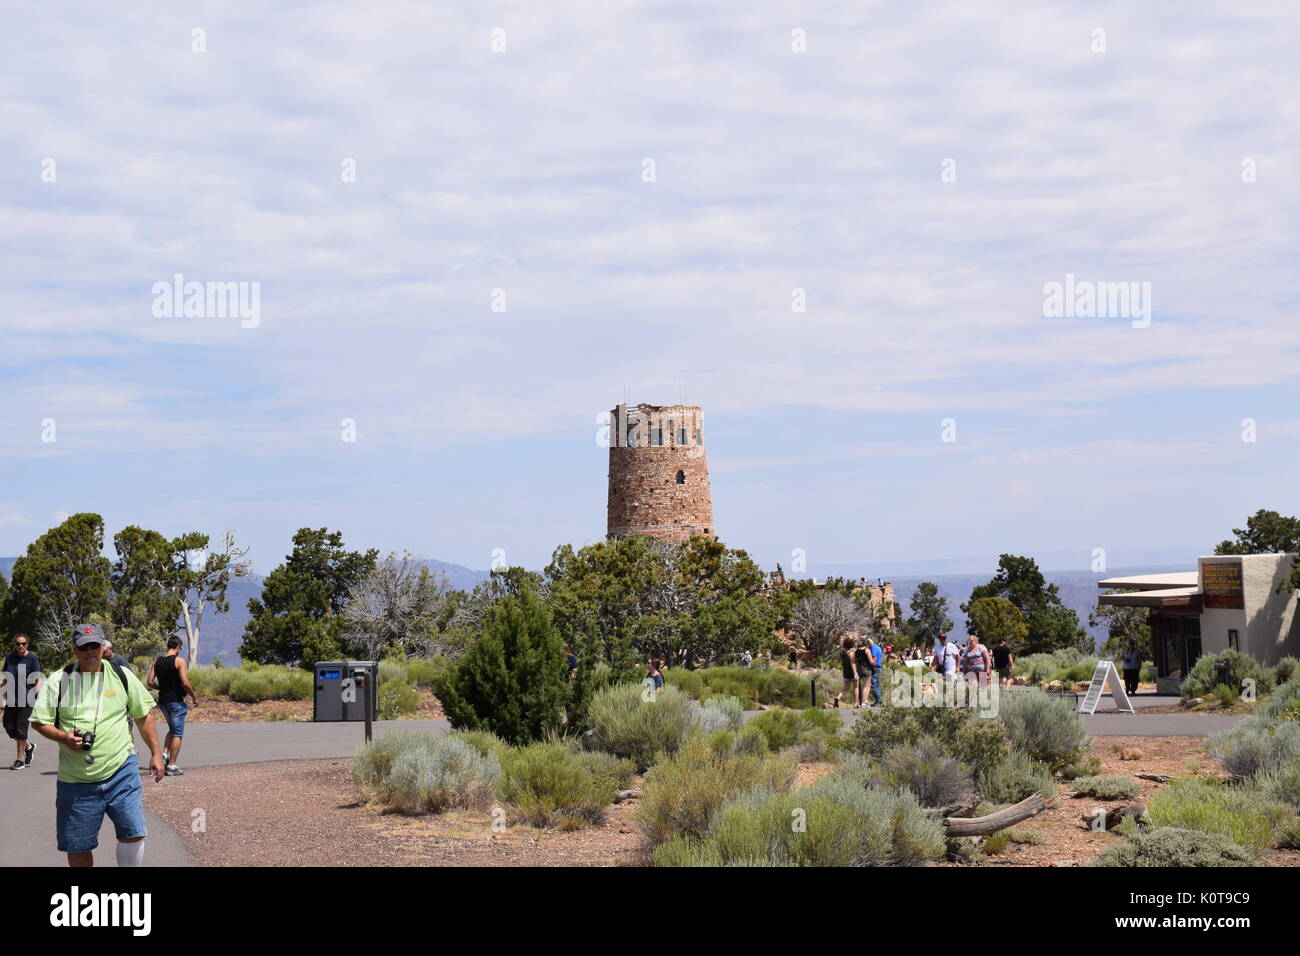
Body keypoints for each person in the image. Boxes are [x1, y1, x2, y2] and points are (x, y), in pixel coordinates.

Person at [29, 623, 164, 867]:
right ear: (75, 650)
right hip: (76, 779)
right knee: (78, 844)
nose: (90, 651)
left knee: (133, 832)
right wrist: (63, 737)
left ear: (103, 647)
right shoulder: (59, 681)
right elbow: (39, 722)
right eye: (84, 647)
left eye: (95, 645)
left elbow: (144, 717)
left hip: (121, 768)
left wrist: (156, 754)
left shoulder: (121, 675)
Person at [146, 635, 199, 776]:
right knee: (178, 733)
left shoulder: (157, 661)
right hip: (176, 701)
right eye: (180, 648)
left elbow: (150, 682)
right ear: (178, 647)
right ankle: (171, 766)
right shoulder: (179, 661)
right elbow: (186, 683)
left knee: (172, 728)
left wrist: (162, 688)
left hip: (163, 702)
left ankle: (164, 754)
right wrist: (194, 697)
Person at [4, 633, 43, 770]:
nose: (21, 646)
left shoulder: (32, 659)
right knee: (8, 726)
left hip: (26, 699)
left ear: (27, 644)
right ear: (14, 645)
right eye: (18, 643)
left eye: (23, 643)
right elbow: (6, 677)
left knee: (21, 728)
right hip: (11, 698)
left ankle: (19, 760)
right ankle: (28, 746)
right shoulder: (10, 658)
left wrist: (34, 693)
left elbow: (39, 680)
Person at [839, 636, 858, 707]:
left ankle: (838, 697)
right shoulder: (851, 653)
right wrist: (855, 673)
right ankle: (856, 703)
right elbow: (853, 663)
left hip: (845, 672)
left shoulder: (842, 652)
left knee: (846, 689)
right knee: (856, 687)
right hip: (852, 672)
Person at [853, 639, 872, 707]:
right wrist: (874, 662)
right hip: (866, 669)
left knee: (857, 687)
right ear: (865, 643)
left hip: (858, 669)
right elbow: (871, 661)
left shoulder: (856, 651)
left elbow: (854, 660)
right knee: (866, 686)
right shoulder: (867, 650)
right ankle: (863, 702)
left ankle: (856, 702)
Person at [869, 636, 885, 705]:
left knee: (874, 684)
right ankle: (879, 700)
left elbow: (874, 658)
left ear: (870, 642)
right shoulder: (878, 647)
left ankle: (878, 700)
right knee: (877, 684)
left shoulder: (873, 648)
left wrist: (872, 664)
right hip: (878, 666)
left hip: (875, 667)